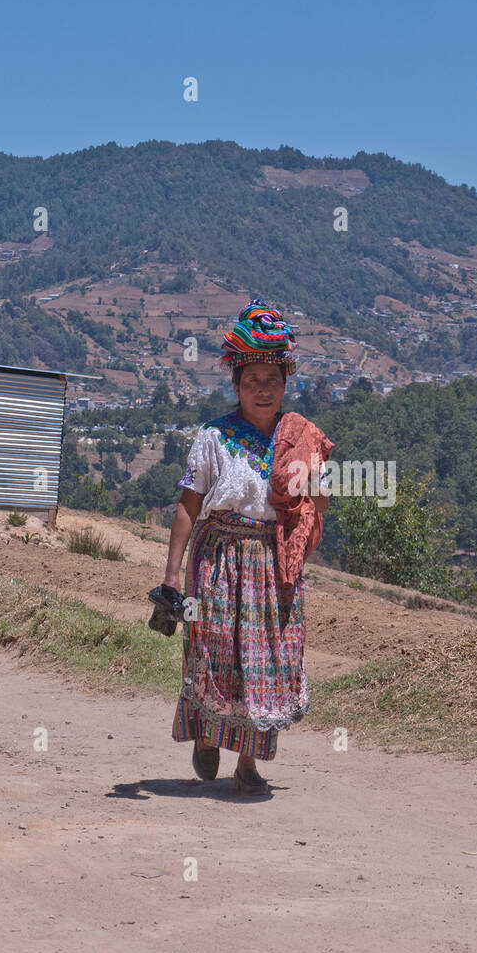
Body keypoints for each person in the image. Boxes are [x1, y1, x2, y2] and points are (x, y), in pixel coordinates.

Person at [159, 299, 334, 796]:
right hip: (217, 560)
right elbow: (188, 507)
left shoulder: (300, 439)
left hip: (272, 562)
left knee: (269, 660)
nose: (263, 389)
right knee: (213, 651)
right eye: (252, 380)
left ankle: (251, 762)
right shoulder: (213, 438)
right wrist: (172, 575)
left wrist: (303, 529)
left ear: (285, 383)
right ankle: (207, 734)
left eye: (273, 379)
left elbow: (318, 501)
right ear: (236, 384)